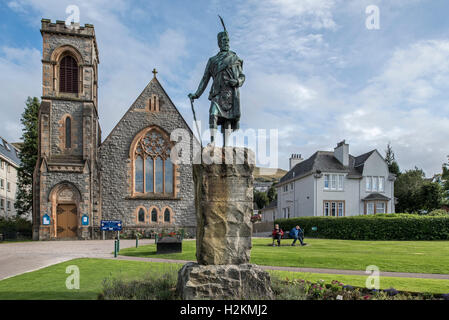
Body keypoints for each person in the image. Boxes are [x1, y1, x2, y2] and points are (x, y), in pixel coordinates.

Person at [188, 17, 245, 147]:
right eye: (224, 40)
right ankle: (213, 142)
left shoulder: (235, 58)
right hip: (217, 93)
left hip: (230, 93)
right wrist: (196, 94)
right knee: (213, 114)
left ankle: (227, 146)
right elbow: (205, 79)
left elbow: (242, 76)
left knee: (227, 120)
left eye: (228, 40)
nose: (226, 43)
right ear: (219, 43)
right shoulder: (212, 60)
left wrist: (236, 81)